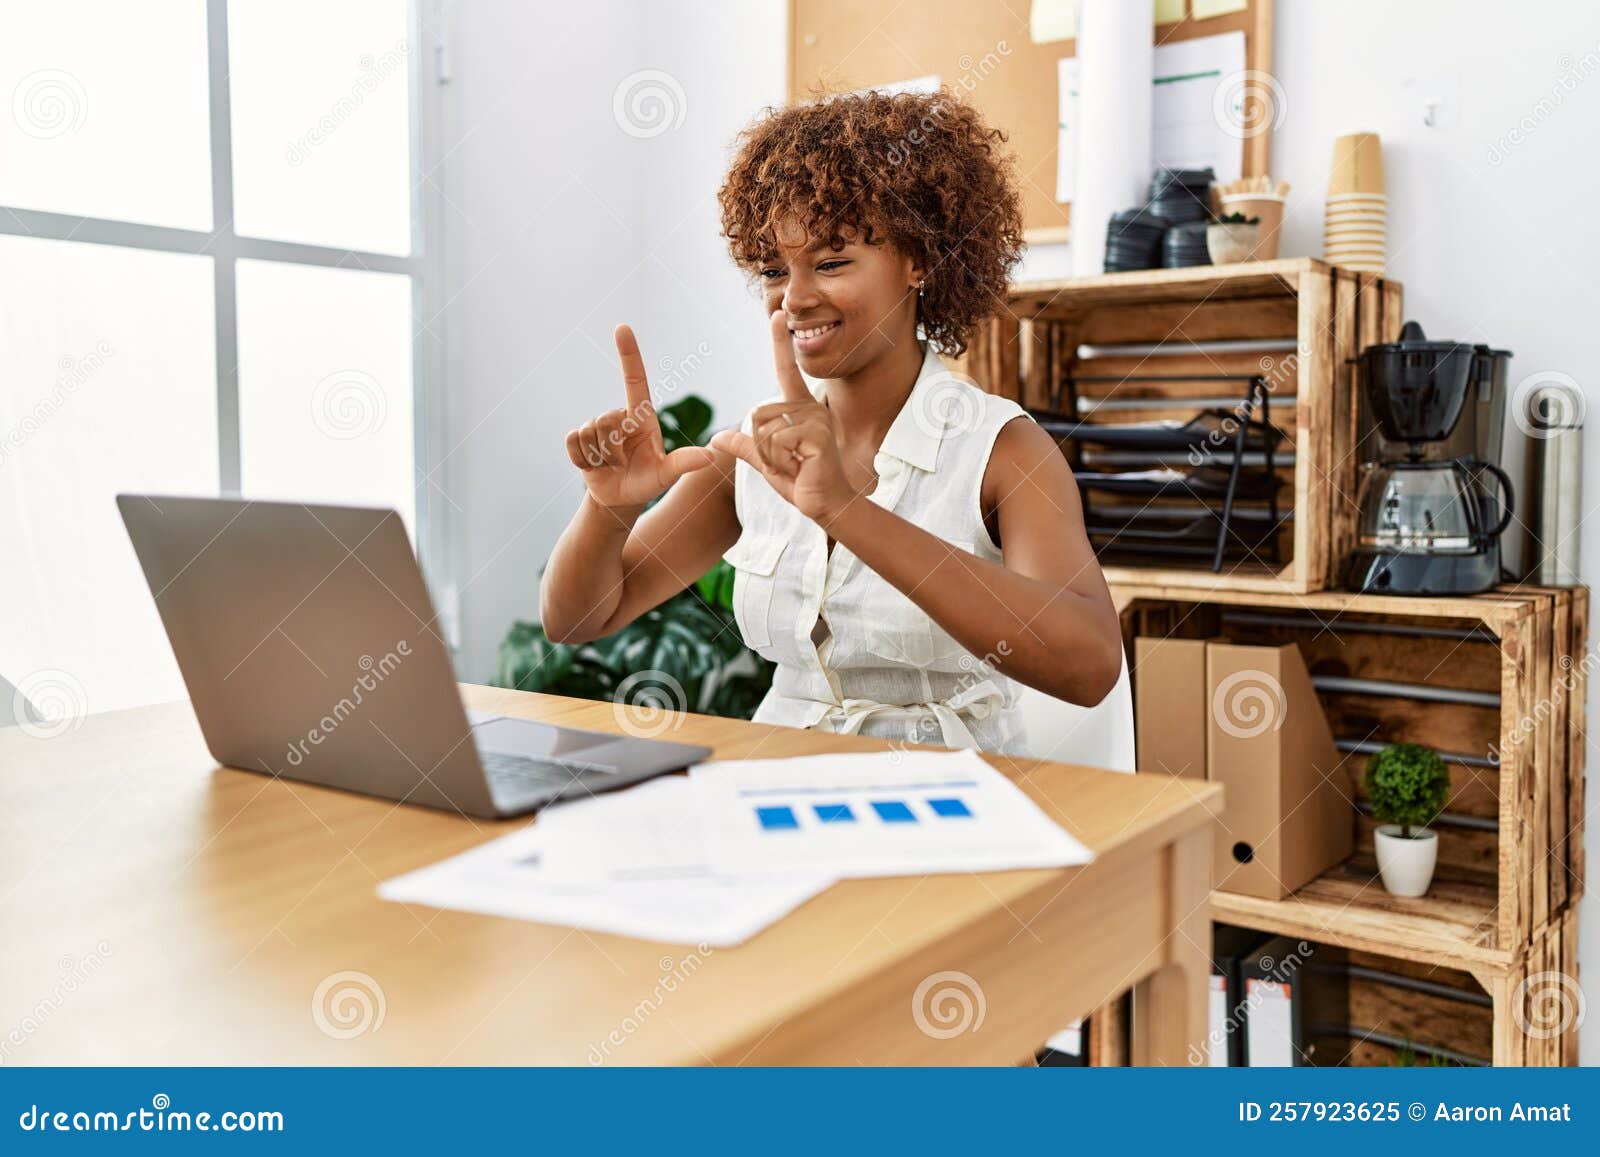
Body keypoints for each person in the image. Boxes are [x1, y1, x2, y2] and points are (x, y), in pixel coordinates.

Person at [540, 89, 1121, 755]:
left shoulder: (1002, 450)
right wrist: (606, 509)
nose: (795, 298)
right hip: (776, 787)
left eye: (831, 261)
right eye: (773, 270)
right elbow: (578, 618)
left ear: (920, 261)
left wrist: (843, 509)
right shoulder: (752, 453)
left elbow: (1090, 665)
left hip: (951, 800)